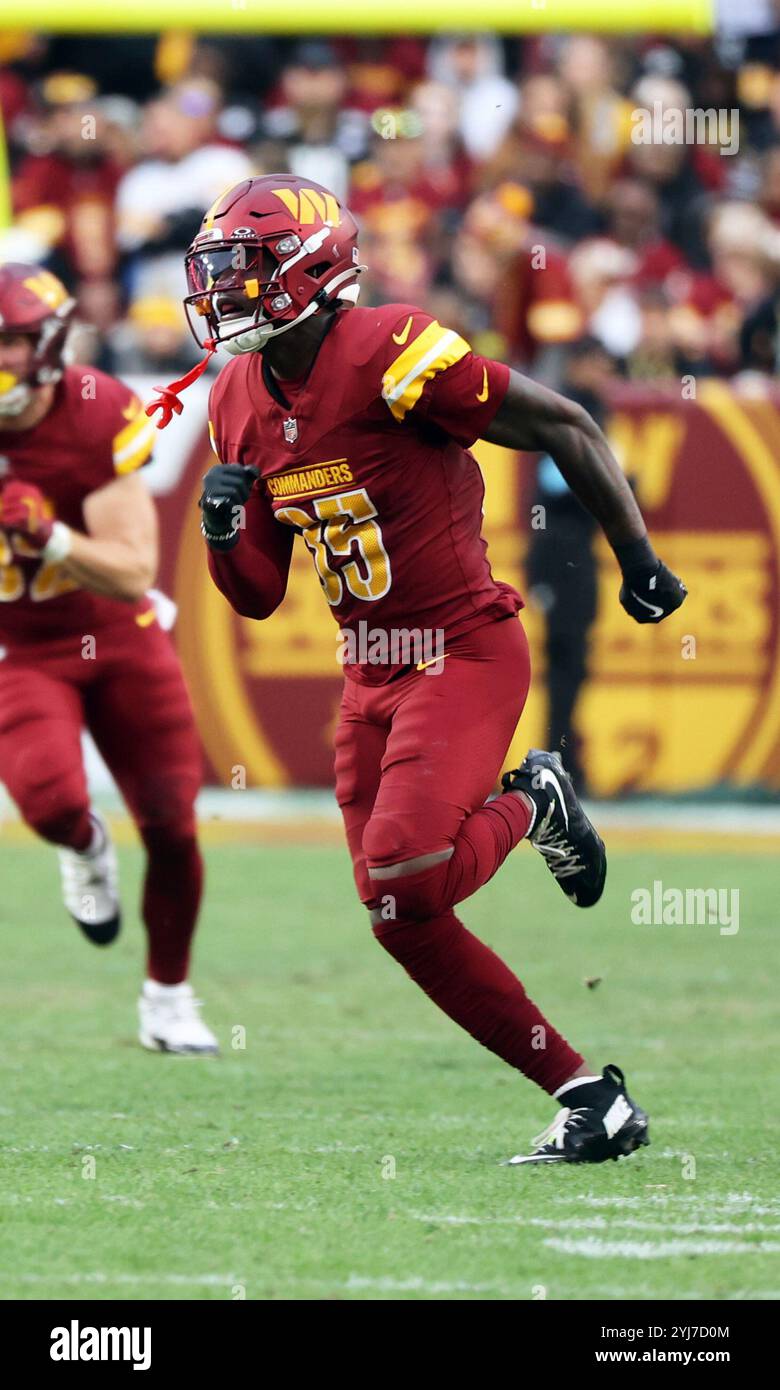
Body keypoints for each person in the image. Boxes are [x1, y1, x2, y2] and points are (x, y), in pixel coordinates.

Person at [154, 176, 687, 1161]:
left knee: (405, 869)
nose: (224, 292)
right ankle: (588, 1098)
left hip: (462, 648)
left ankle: (535, 802)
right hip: (369, 672)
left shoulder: (388, 350)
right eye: (218, 272)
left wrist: (639, 559)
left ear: (307, 271)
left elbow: (566, 422)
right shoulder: (237, 393)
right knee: (400, 914)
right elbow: (261, 593)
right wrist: (226, 532)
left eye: (244, 270)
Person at [0, 262, 217, 1055]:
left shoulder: (93, 410)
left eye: (10, 343)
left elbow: (131, 566)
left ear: (48, 345)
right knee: (52, 803)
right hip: (21, 647)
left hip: (119, 633)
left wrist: (50, 534)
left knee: (171, 821)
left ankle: (168, 997)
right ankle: (87, 849)